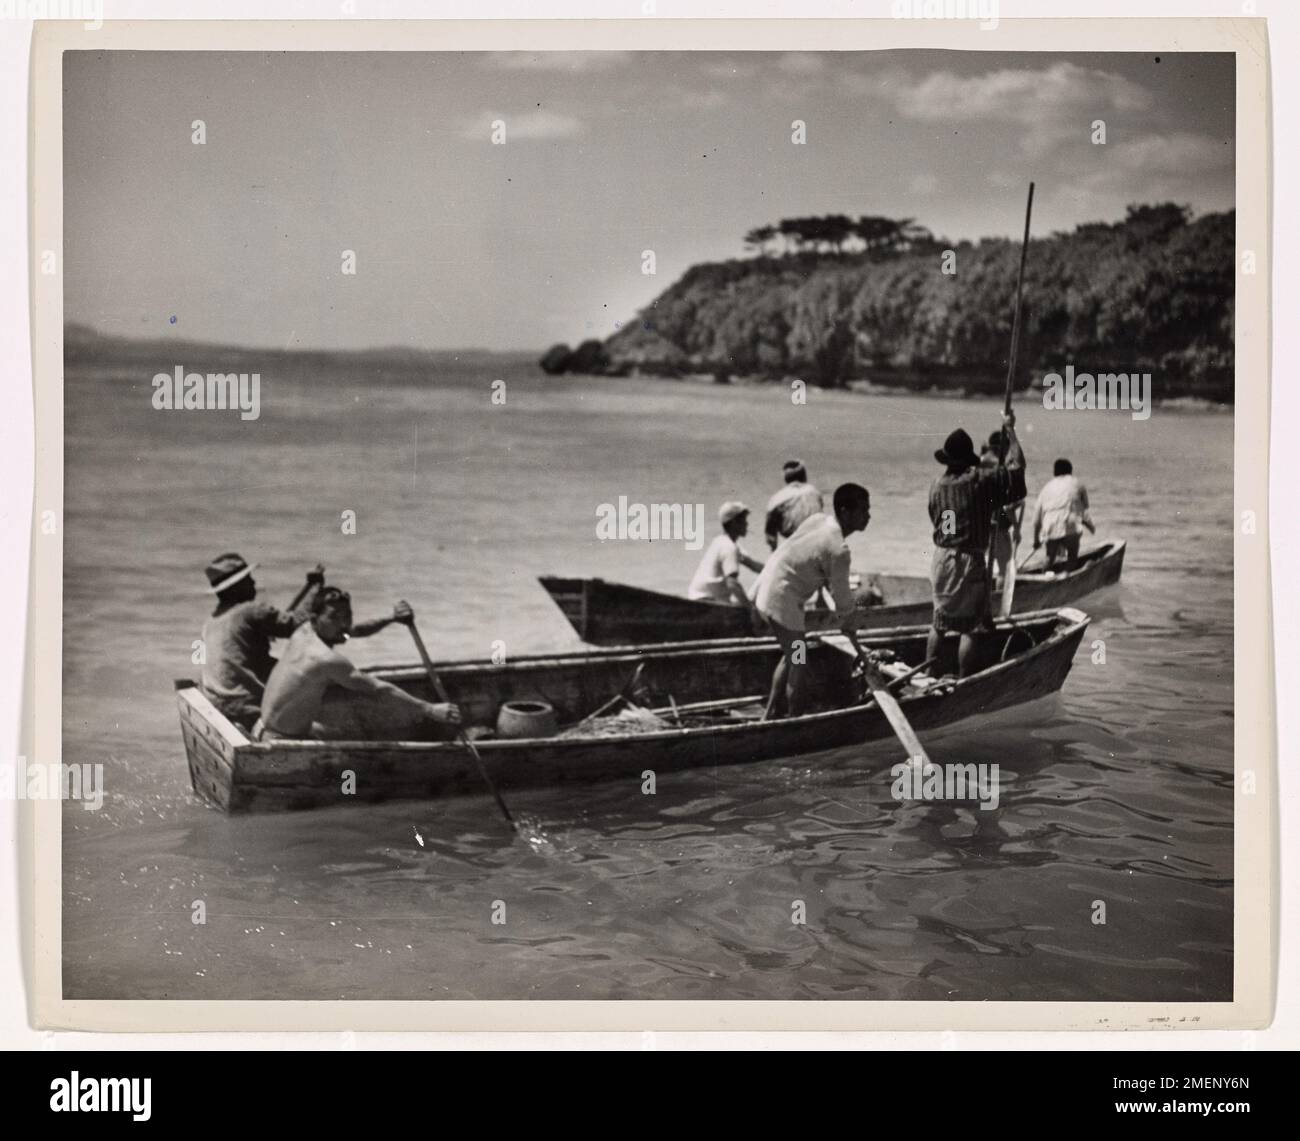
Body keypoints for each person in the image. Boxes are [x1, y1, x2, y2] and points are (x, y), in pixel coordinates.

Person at [199, 553, 410, 729]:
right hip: (249, 704)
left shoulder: (213, 621)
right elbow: (296, 623)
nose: (253, 582)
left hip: (221, 702)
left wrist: (390, 619)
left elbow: (342, 631)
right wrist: (316, 587)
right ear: (235, 588)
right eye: (248, 579)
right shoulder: (252, 611)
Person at [254, 587, 461, 741]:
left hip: (262, 728)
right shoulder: (326, 659)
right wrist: (430, 709)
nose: (343, 623)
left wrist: (392, 618)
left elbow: (354, 631)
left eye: (347, 616)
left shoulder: (305, 630)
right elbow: (378, 689)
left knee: (339, 734)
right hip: (281, 743)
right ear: (316, 618)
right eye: (335, 617)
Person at [751, 483, 871, 720]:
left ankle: (770, 714)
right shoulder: (839, 549)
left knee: (791, 655)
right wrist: (850, 621)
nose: (868, 516)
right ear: (845, 512)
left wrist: (844, 614)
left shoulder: (819, 520)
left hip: (768, 585)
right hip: (782, 598)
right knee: (799, 659)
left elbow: (814, 563)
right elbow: (842, 597)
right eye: (863, 510)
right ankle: (794, 721)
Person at [927, 413, 1027, 678]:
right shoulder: (978, 482)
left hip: (940, 558)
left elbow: (942, 521)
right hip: (967, 560)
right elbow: (1016, 469)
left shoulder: (936, 486)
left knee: (939, 622)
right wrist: (1011, 429)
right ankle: (964, 679)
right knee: (974, 626)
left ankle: (928, 675)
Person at [688, 501, 765, 604]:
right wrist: (750, 609)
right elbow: (732, 583)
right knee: (751, 609)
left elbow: (754, 565)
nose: (747, 523)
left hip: (700, 599)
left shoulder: (721, 541)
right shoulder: (729, 547)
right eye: (743, 520)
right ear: (733, 523)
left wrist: (774, 569)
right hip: (706, 602)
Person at [1028, 458, 1096, 571]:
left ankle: (1046, 577)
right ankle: (1067, 575)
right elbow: (1084, 512)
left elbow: (1037, 520)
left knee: (1049, 558)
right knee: (1072, 556)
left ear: (1054, 472)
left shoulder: (1046, 487)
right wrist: (1091, 527)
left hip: (1049, 526)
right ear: (1070, 471)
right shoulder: (1078, 483)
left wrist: (1036, 540)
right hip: (1071, 525)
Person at [981, 428, 1026, 585]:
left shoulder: (977, 465)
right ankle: (997, 602)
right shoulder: (1000, 470)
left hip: (978, 527)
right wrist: (1017, 530)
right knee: (1005, 570)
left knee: (980, 568)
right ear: (1004, 449)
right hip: (997, 528)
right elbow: (1007, 507)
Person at [763, 460, 825, 550]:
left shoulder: (777, 498)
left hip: (795, 543)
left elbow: (770, 534)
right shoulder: (814, 492)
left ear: (786, 479)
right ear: (804, 476)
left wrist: (774, 554)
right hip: (817, 542)